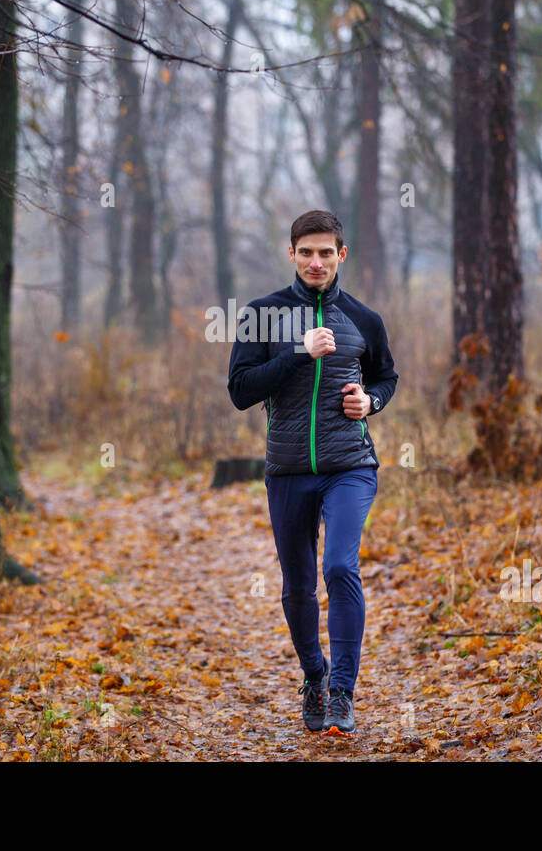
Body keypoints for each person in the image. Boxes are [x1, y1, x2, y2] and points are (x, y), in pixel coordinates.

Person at [227, 209, 398, 738]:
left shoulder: (364, 319)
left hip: (350, 465)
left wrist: (369, 401)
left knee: (340, 568)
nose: (316, 261)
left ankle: (344, 692)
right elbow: (240, 391)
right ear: (292, 254)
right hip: (287, 470)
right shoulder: (262, 315)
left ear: (341, 255)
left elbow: (387, 377)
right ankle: (315, 678)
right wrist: (300, 354)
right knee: (298, 584)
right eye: (307, 252)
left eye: (326, 252)